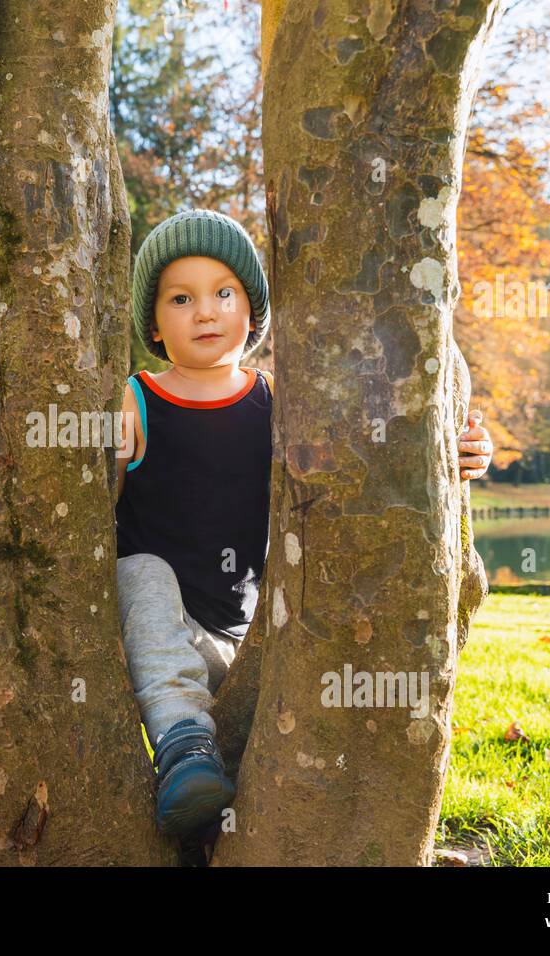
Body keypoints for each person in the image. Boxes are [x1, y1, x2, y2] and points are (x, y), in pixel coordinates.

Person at [113, 209, 493, 841]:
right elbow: (81, 475)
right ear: (153, 322)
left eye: (223, 293)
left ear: (251, 313)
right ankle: (183, 744)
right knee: (142, 574)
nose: (205, 311)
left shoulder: (277, 404)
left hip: (250, 635)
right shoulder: (138, 399)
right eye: (181, 298)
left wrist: (447, 456)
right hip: (163, 629)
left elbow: (360, 470)